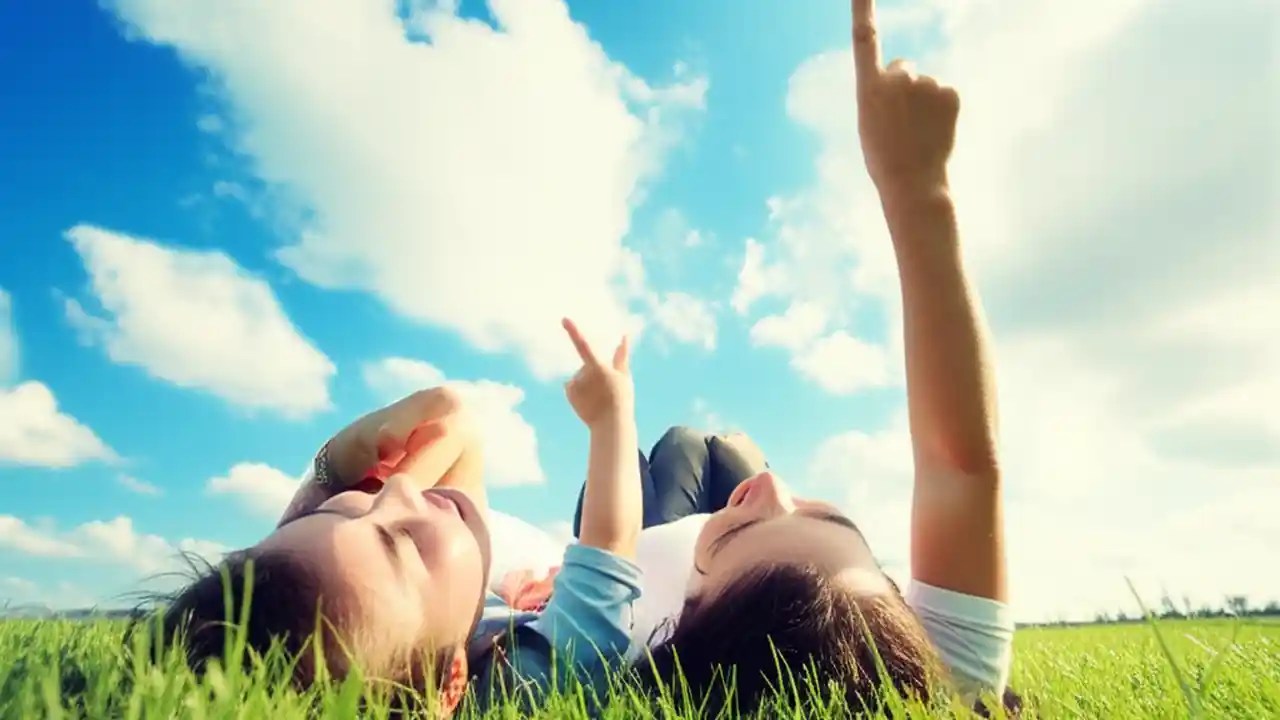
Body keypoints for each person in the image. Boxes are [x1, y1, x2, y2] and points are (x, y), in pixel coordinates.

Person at [621, 0, 1015, 714]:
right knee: (740, 456)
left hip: (648, 535)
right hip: (756, 568)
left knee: (681, 445)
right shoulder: (929, 678)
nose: (774, 490)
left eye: (744, 523)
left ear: (680, 622)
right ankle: (752, 507)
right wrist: (919, 190)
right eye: (840, 524)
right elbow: (963, 467)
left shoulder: (629, 642)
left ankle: (727, 494)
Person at [136, 318, 644, 716]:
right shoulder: (525, 689)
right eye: (402, 541)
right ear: (451, 685)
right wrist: (611, 416)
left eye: (343, 508)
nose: (398, 487)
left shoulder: (340, 613)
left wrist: (352, 450)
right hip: (518, 601)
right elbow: (610, 547)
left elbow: (322, 511)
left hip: (486, 595)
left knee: (448, 421)